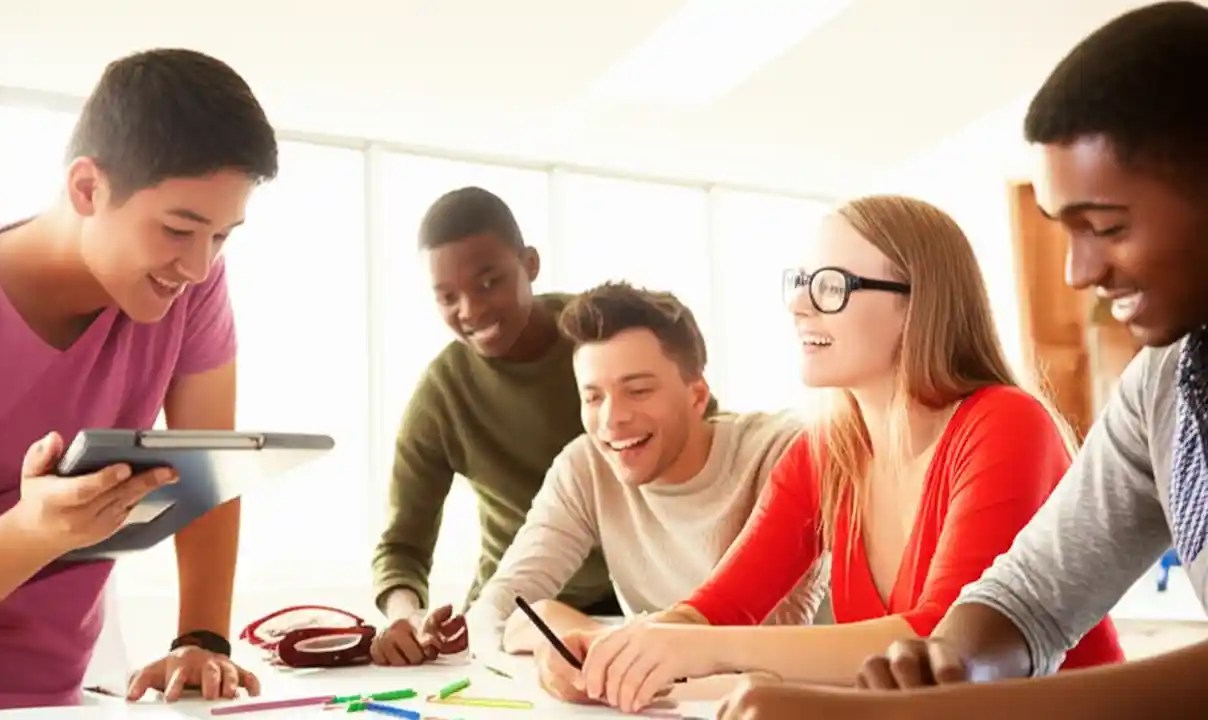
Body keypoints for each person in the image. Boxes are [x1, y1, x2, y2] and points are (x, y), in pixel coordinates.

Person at [725, 4, 1208, 719]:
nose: (1077, 272)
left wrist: (905, 714)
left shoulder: (1002, 421)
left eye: (1107, 227)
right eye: (1065, 230)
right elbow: (1031, 595)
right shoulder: (1160, 386)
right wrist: (950, 664)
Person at [543, 194, 1125, 715]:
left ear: (916, 305)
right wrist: (616, 652)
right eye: (800, 282)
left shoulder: (1004, 423)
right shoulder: (825, 451)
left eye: (830, 286)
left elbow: (945, 647)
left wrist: (696, 646)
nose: (799, 305)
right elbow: (721, 607)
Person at [0, 49, 278, 713]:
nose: (200, 266)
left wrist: (203, 639)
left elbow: (210, 467)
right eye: (179, 229)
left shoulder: (185, 288)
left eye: (223, 237)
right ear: (88, 188)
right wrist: (33, 532)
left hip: (58, 698)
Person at [464, 281, 827, 687]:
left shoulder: (781, 454)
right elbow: (494, 614)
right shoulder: (587, 468)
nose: (612, 419)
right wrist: (587, 645)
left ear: (697, 396)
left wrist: (607, 646)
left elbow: (765, 652)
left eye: (638, 391)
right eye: (593, 397)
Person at [368, 187, 618, 666]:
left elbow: (699, 440)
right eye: (447, 297)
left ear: (530, 264)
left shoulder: (602, 333)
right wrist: (406, 614)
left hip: (632, 604)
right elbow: (402, 545)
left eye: (488, 283)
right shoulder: (443, 393)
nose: (470, 309)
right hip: (510, 616)